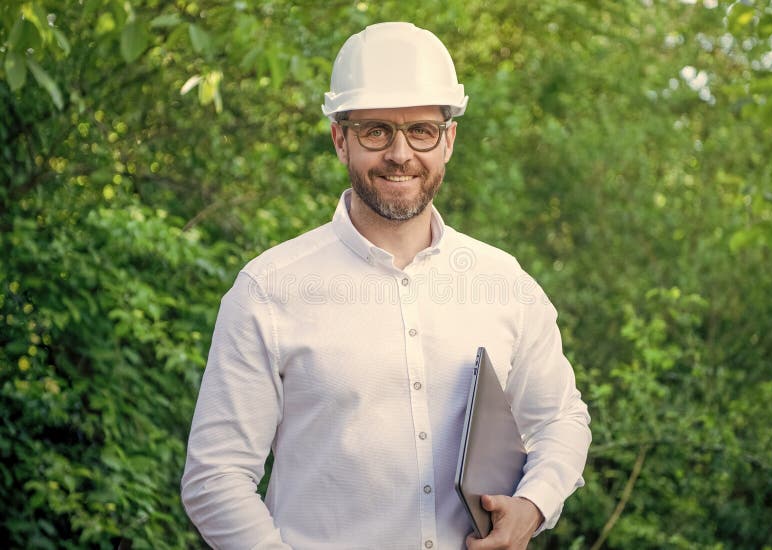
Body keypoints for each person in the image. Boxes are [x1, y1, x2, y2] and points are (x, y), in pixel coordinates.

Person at [181, 22, 591, 550]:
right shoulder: (267, 290)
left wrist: (532, 507)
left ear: (449, 140)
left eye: (421, 130)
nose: (400, 153)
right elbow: (215, 478)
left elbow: (560, 419)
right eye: (376, 130)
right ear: (340, 140)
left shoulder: (504, 283)